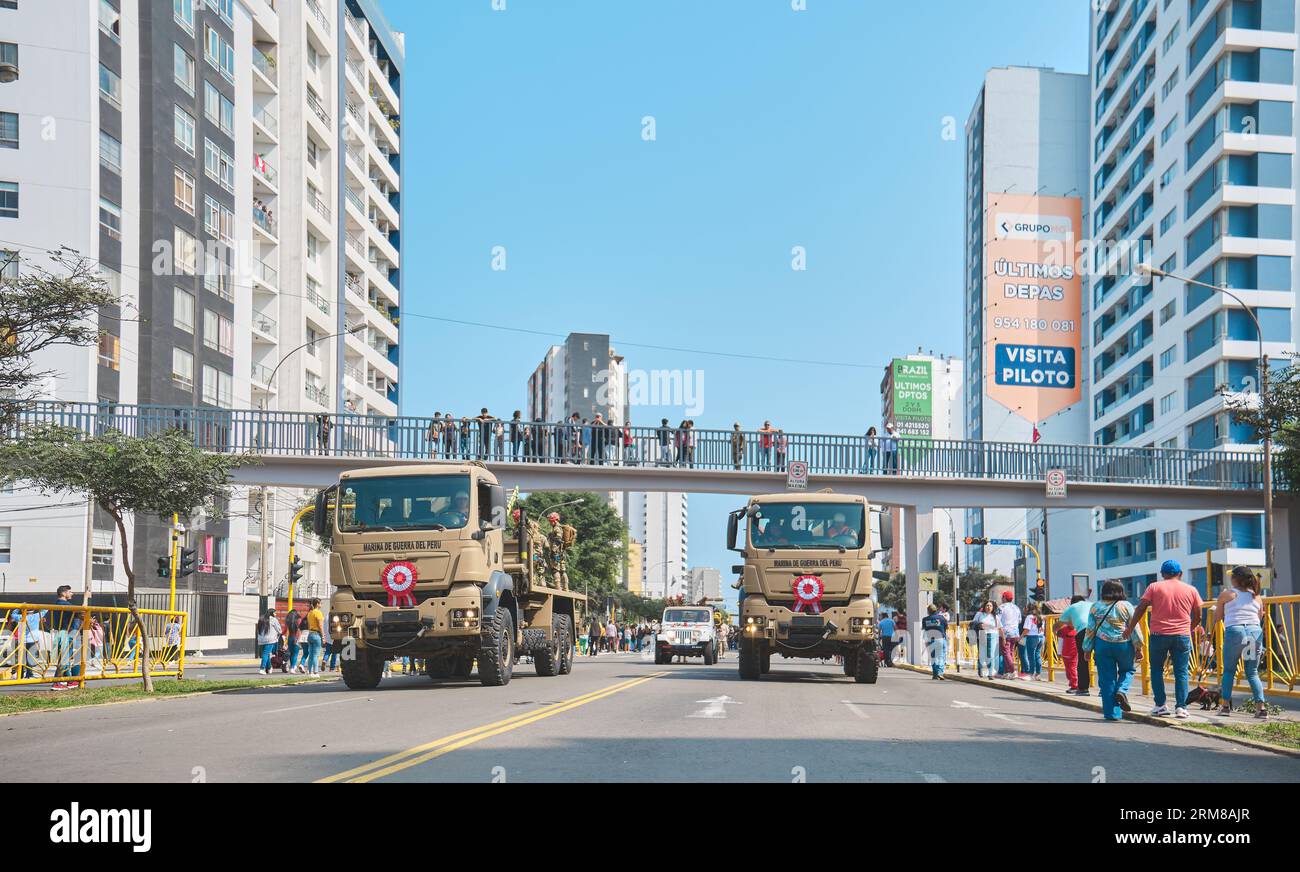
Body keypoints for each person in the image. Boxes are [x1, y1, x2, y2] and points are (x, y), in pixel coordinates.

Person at [1122, 559, 1203, 718]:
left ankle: (1160, 705)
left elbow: (1141, 608)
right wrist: (1189, 628)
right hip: (1182, 635)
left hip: (1159, 634)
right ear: (1180, 574)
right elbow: (1199, 615)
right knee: (1181, 672)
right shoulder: (1191, 589)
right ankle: (1181, 707)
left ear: (1162, 574)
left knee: (1157, 670)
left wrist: (1130, 628)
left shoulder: (1154, 587)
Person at [1212, 566, 1269, 718]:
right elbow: (1259, 617)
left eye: (1231, 576)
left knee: (1229, 670)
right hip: (1254, 632)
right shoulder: (1256, 596)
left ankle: (1225, 707)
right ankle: (1261, 708)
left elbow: (1218, 617)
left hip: (1235, 632)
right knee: (1252, 672)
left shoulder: (1227, 594)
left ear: (1235, 579)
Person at [1086, 579, 1144, 721]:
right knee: (1128, 670)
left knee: (1107, 679)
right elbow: (1134, 627)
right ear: (1121, 591)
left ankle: (1112, 714)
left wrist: (1087, 649)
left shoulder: (1095, 606)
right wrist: (1138, 647)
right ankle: (1122, 690)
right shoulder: (1126, 605)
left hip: (1102, 645)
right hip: (1124, 644)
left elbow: (1090, 630)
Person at [1057, 594, 1089, 693]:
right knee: (1101, 660)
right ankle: (1104, 690)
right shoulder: (1091, 604)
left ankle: (1082, 688)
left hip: (1083, 631)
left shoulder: (1072, 608)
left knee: (1082, 661)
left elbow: (1058, 625)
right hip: (1099, 631)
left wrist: (1055, 630)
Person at [996, 590, 1021, 679]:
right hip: (1015, 633)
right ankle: (1007, 672)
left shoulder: (1001, 607)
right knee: (1010, 653)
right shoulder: (1016, 608)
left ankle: (1012, 671)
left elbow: (997, 621)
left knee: (1006, 653)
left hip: (1005, 633)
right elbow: (1019, 620)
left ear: (1004, 598)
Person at [922, 604, 948, 680]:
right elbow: (946, 627)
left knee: (933, 657)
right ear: (936, 610)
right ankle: (940, 673)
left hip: (930, 639)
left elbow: (924, 629)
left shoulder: (925, 619)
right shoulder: (941, 618)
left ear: (928, 611)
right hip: (940, 639)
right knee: (940, 656)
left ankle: (935, 674)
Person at [972, 601, 998, 677]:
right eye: (987, 605)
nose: (988, 607)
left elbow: (998, 628)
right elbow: (973, 623)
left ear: (993, 608)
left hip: (992, 635)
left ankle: (990, 673)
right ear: (984, 606)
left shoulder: (995, 616)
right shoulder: (979, 614)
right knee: (982, 654)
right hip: (982, 635)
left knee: (991, 655)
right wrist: (979, 625)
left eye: (990, 606)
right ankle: (980, 670)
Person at [1021, 603, 1045, 680]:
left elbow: (1027, 630)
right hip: (1041, 637)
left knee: (1031, 656)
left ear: (1029, 609)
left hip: (1032, 637)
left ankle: (1031, 673)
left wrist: (1020, 637)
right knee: (1037, 655)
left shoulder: (1029, 617)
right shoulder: (1041, 617)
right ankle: (1038, 674)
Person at [256, 609, 282, 674]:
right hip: (270, 640)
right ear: (272, 613)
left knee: (266, 654)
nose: (276, 615)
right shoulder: (273, 619)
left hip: (261, 639)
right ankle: (262, 668)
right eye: (275, 613)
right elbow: (279, 630)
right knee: (265, 654)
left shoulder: (261, 619)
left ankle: (269, 667)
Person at [305, 598, 325, 677]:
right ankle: (316, 672)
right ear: (317, 604)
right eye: (320, 603)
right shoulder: (318, 613)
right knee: (316, 655)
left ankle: (310, 672)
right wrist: (323, 636)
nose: (321, 605)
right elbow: (320, 626)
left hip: (310, 634)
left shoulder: (310, 613)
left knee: (311, 654)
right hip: (317, 634)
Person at [285, 609, 303, 673]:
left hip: (290, 638)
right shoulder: (298, 619)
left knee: (291, 653)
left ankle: (293, 666)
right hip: (296, 638)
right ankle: (292, 668)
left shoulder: (288, 621)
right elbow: (299, 630)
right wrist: (298, 639)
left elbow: (287, 631)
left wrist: (286, 640)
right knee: (295, 654)